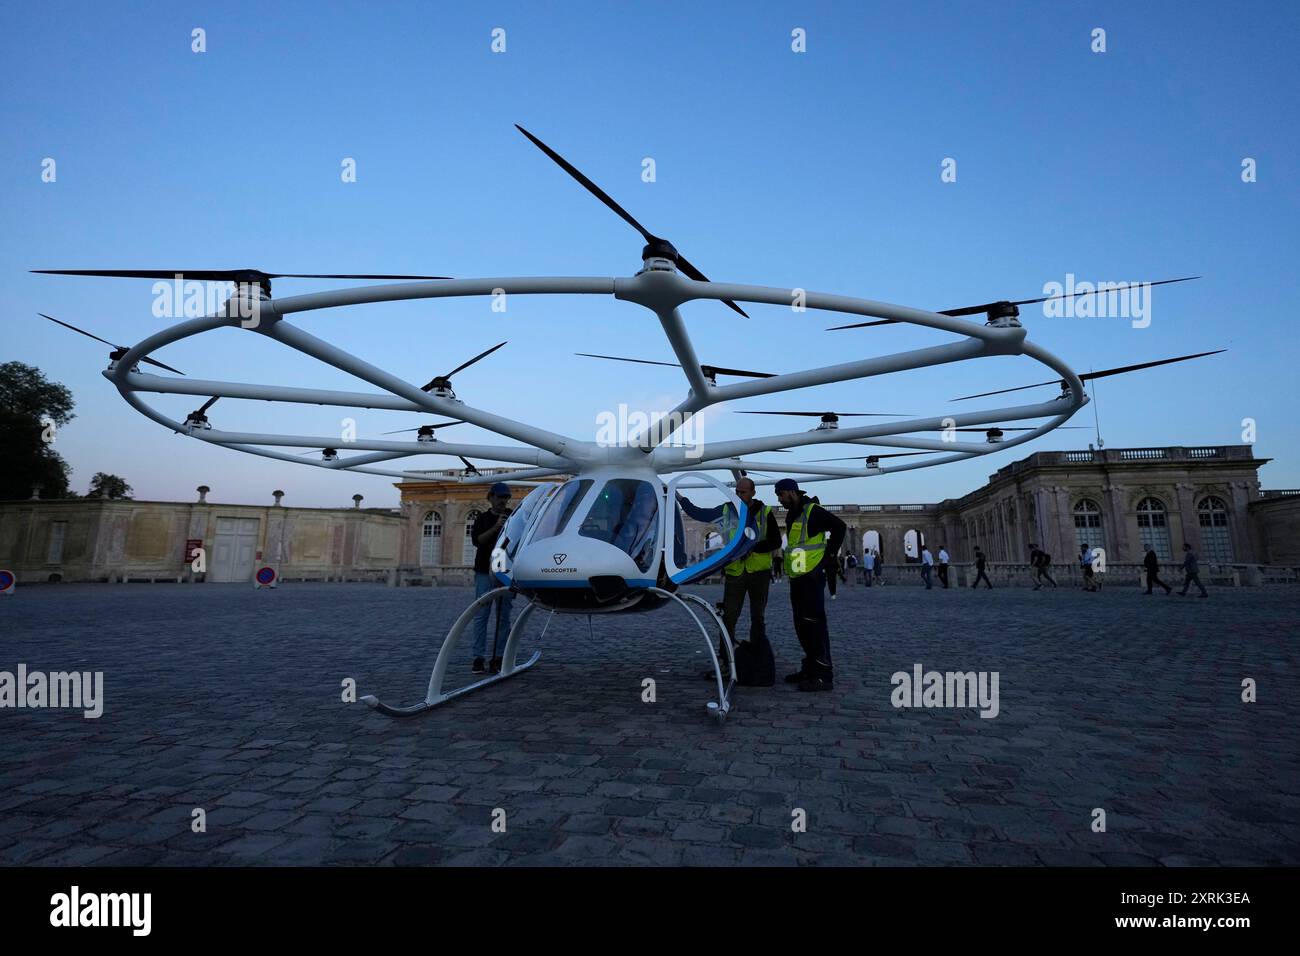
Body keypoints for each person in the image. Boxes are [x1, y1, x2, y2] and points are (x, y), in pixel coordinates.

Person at [677, 477, 783, 676]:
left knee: (758, 618)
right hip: (735, 573)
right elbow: (699, 513)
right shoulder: (726, 510)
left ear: (753, 492)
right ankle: (726, 662)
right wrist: (680, 498)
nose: (739, 495)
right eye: (737, 491)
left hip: (759, 573)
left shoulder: (765, 512)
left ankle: (758, 660)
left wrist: (752, 547)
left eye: (743, 492)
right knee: (728, 619)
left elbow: (776, 541)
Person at [775, 478, 846, 692]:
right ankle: (810, 667)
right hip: (799, 576)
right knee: (802, 624)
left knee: (814, 624)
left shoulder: (812, 511)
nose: (779, 499)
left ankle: (823, 674)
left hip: (812, 576)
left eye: (780, 494)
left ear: (790, 492)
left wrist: (830, 555)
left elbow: (839, 526)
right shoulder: (794, 513)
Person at [470, 483, 515, 673]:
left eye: (506, 497)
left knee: (504, 616)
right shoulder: (483, 518)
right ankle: (478, 657)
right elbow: (477, 541)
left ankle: (499, 656)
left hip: (504, 569)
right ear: (490, 497)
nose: (503, 500)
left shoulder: (513, 516)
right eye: (499, 497)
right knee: (482, 614)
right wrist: (496, 527)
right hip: (483, 570)